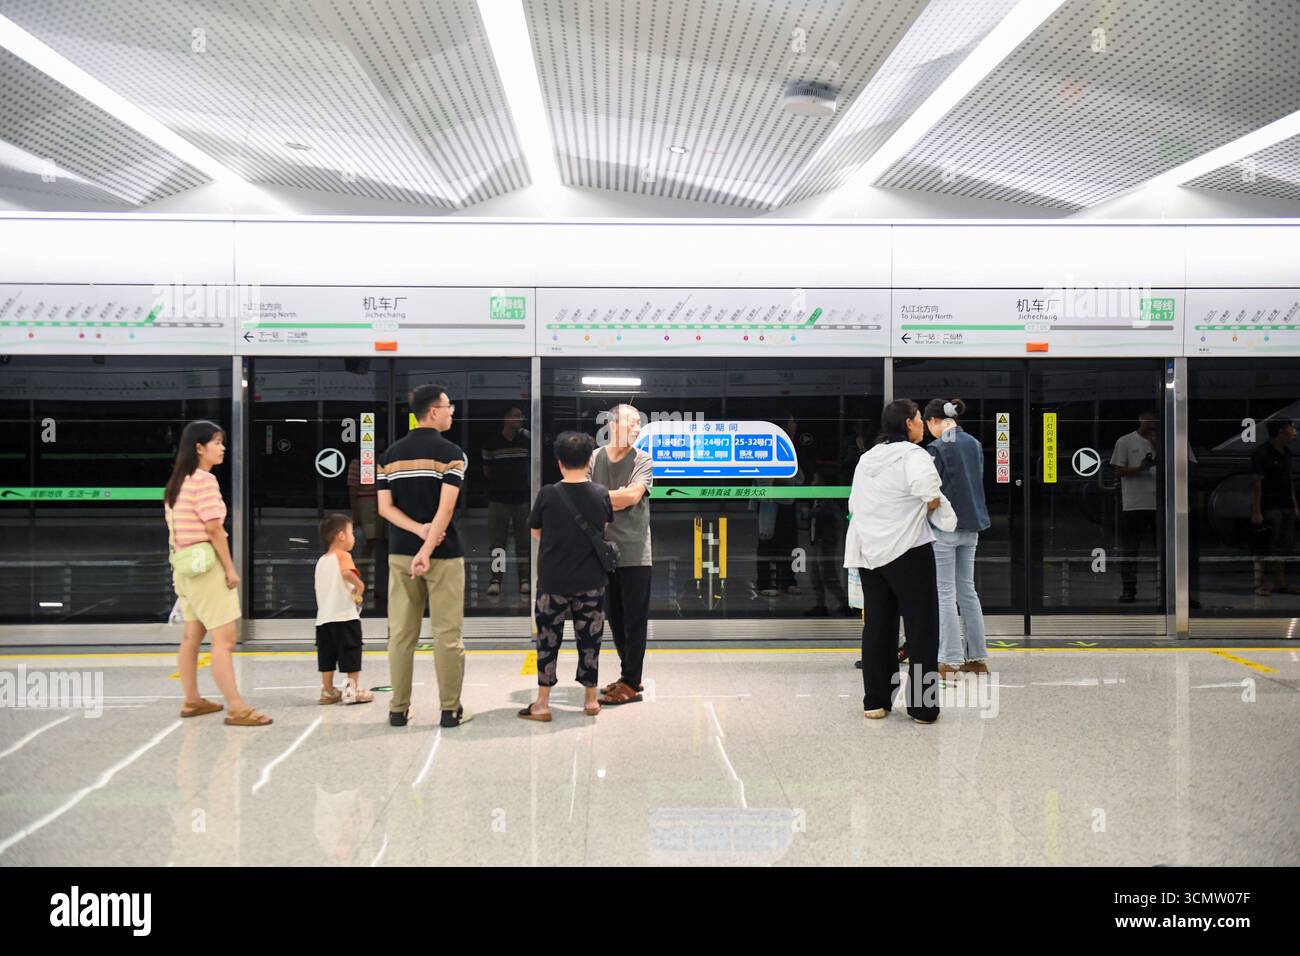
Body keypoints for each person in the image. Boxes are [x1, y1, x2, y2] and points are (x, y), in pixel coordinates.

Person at [843, 399, 954, 724]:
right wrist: (922, 508)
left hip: (868, 552)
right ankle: (923, 707)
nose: (921, 423)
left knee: (878, 624)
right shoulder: (915, 456)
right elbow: (930, 495)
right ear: (908, 422)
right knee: (921, 627)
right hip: (908, 549)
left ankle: (875, 701)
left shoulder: (867, 458)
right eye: (919, 418)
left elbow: (855, 500)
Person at [164, 420, 271, 726]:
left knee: (191, 637)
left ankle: (192, 700)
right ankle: (237, 707)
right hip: (206, 567)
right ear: (199, 448)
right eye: (217, 443)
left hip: (184, 567)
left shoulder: (176, 483)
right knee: (224, 641)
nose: (222, 448)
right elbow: (214, 529)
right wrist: (230, 568)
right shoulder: (204, 481)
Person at [377, 384, 471, 729]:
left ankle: (398, 709)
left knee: (401, 634)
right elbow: (445, 510)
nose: (451, 412)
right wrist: (428, 546)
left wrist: (417, 533)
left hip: (400, 554)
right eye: (448, 406)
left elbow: (384, 509)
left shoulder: (389, 457)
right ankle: (449, 710)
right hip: (443, 556)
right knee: (447, 634)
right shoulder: (452, 454)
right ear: (433, 411)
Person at [518, 432, 612, 721]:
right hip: (591, 583)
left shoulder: (548, 494)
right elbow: (604, 530)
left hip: (552, 583)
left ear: (559, 463)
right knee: (590, 639)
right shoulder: (600, 494)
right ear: (588, 462)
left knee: (547, 640)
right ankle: (590, 701)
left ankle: (543, 704)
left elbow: (535, 532)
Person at [590, 404, 653, 705]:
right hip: (603, 552)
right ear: (614, 424)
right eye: (632, 422)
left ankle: (631, 682)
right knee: (614, 617)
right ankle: (628, 676)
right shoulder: (596, 457)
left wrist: (599, 498)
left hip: (635, 551)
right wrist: (610, 499)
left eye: (639, 423)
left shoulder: (642, 459)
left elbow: (631, 496)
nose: (637, 428)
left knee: (634, 619)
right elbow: (585, 498)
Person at [924, 398, 991, 677]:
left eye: (929, 424)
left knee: (945, 593)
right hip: (972, 526)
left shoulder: (938, 448)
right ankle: (977, 658)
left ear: (934, 421)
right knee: (968, 591)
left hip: (945, 528)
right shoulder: (974, 444)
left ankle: (949, 660)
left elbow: (931, 491)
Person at [314, 514, 373, 705]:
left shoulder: (321, 560)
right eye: (351, 533)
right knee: (351, 653)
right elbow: (347, 573)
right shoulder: (343, 555)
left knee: (327, 656)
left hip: (323, 619)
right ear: (341, 536)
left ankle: (328, 691)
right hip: (345, 617)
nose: (354, 537)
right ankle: (352, 690)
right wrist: (360, 585)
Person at [481, 407, 532, 597]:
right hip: (498, 498)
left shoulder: (526, 440)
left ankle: (524, 579)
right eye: (516, 416)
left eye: (521, 415)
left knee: (524, 542)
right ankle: (496, 579)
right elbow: (487, 470)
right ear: (506, 418)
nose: (520, 419)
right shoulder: (492, 442)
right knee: (497, 542)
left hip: (521, 498)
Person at [1110, 411, 1160, 603]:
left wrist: (1157, 445)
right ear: (1140, 419)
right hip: (1135, 503)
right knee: (1130, 548)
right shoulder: (1126, 441)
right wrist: (1140, 468)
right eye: (1149, 418)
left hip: (1161, 502)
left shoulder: (1166, 439)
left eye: (1155, 419)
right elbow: (1118, 471)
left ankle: (1167, 589)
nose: (1152, 422)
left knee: (1165, 548)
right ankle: (1129, 589)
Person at [1251, 418, 1299, 596]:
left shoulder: (1286, 453)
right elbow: (1256, 483)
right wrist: (1256, 510)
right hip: (1269, 506)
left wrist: (1294, 505)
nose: (1294, 431)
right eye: (1291, 428)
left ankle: (1281, 582)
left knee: (1283, 545)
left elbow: (1289, 481)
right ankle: (1259, 584)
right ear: (1281, 431)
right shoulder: (1262, 453)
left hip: (1285, 504)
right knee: (1265, 545)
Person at [756, 412, 803, 596]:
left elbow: (798, 476)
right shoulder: (769, 444)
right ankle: (765, 582)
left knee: (788, 541)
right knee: (767, 539)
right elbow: (764, 475)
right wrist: (781, 478)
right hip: (769, 502)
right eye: (792, 421)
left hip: (787, 500)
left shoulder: (792, 446)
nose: (795, 424)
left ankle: (787, 581)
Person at [805, 468, 850, 616]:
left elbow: (822, 515)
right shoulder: (816, 501)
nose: (812, 484)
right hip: (817, 542)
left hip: (824, 543)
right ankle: (821, 604)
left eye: (815, 481)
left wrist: (808, 513)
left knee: (827, 574)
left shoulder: (827, 502)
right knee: (816, 575)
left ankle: (844, 602)